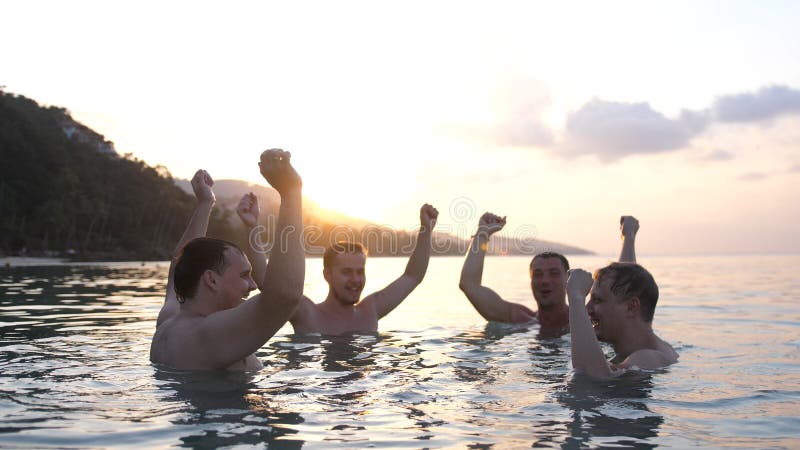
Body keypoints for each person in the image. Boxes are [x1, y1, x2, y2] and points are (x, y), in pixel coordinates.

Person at [150, 149, 304, 370]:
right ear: (211, 280)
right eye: (244, 276)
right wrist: (290, 193)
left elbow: (180, 264)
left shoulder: (170, 320)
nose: (253, 285)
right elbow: (284, 296)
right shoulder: (207, 335)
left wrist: (205, 203)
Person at [240, 203, 439, 335]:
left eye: (359, 271)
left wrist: (426, 230)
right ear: (327, 274)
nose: (355, 279)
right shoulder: (307, 313)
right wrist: (252, 227)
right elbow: (266, 279)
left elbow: (412, 276)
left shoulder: (370, 311)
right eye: (346, 272)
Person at [567, 221, 678, 378]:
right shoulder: (642, 347)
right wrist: (628, 237)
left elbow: (593, 376)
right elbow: (627, 284)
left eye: (597, 300)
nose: (587, 309)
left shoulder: (650, 358)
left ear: (632, 307)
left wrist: (576, 298)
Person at [458, 212, 570, 336]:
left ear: (568, 279)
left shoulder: (587, 319)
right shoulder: (519, 319)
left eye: (554, 273)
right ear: (530, 280)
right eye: (537, 274)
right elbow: (469, 285)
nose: (545, 280)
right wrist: (482, 233)